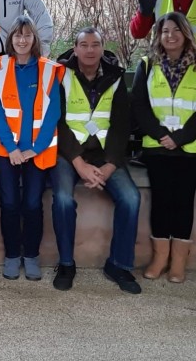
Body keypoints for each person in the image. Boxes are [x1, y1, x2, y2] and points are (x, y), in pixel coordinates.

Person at [50, 27, 141, 294]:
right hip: (68, 153)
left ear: (103, 48)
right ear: (75, 48)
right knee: (64, 200)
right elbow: (56, 121)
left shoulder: (115, 77)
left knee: (131, 199)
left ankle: (119, 264)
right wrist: (78, 162)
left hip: (105, 153)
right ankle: (66, 263)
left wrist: (111, 164)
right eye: (84, 45)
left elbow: (121, 125)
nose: (90, 50)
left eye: (95, 45)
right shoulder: (60, 75)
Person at [130, 12, 196, 284]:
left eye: (176, 30)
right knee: (161, 202)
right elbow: (140, 105)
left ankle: (178, 262)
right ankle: (159, 258)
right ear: (159, 35)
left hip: (191, 148)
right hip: (157, 146)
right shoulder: (147, 64)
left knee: (183, 202)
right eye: (165, 31)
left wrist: (181, 137)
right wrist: (161, 134)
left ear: (186, 33)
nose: (170, 36)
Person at [0, 15, 64, 281]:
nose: (22, 40)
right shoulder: (0, 66)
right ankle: (11, 256)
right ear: (11, 39)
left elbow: (53, 112)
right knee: (9, 203)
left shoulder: (49, 69)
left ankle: (30, 256)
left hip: (37, 152)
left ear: (34, 39)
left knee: (32, 204)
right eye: (17, 35)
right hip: (7, 151)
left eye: (27, 35)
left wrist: (35, 148)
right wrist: (12, 148)